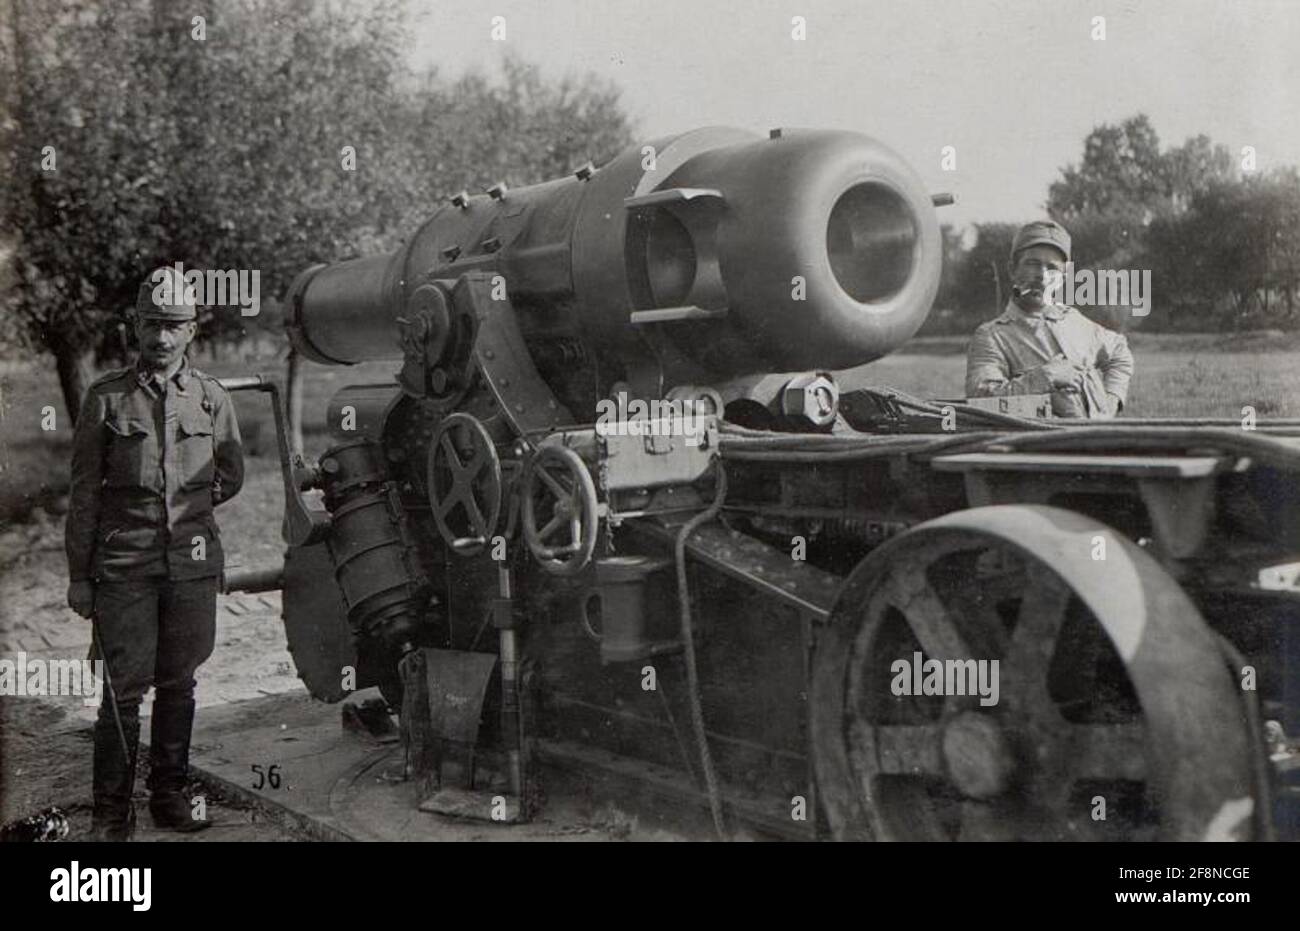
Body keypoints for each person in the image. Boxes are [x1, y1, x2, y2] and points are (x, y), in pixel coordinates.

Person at [65, 266, 244, 840]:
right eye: (151, 324)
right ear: (133, 327)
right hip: (125, 567)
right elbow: (84, 495)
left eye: (173, 325)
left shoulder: (213, 400)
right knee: (121, 691)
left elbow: (230, 475)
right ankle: (112, 815)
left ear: (192, 329)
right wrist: (79, 576)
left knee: (180, 680)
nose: (161, 338)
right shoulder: (105, 398)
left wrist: (189, 506)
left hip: (190, 566)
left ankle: (169, 794)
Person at [965, 220, 1134, 418]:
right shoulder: (992, 336)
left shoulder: (1075, 321)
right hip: (1040, 445)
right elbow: (981, 401)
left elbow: (1119, 352)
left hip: (1098, 440)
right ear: (1012, 270)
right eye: (1032, 264)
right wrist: (1047, 377)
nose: (1042, 276)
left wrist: (1112, 400)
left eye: (1052, 268)